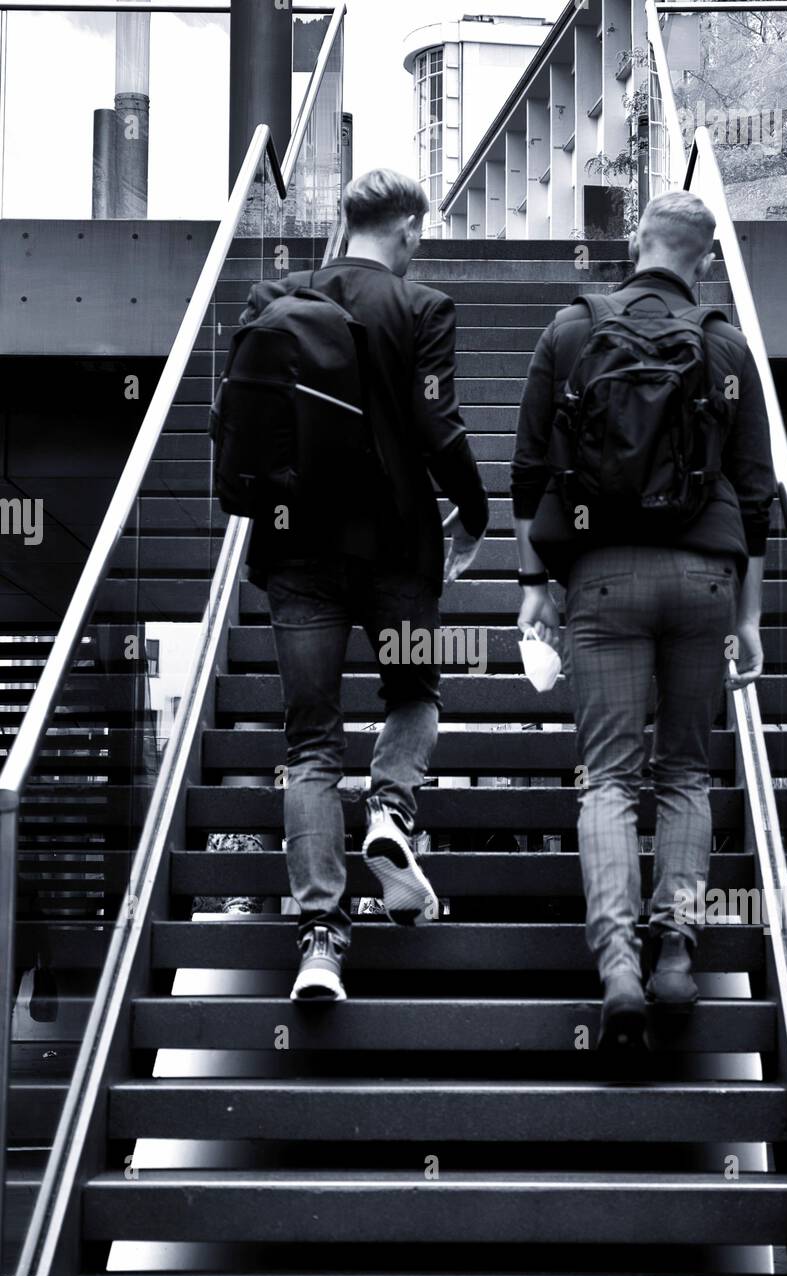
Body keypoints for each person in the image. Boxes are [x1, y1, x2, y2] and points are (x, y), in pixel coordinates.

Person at [511, 190, 775, 1047]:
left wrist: (533, 582)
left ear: (638, 243)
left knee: (610, 778)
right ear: (705, 259)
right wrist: (751, 615)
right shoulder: (725, 343)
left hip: (601, 579)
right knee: (688, 775)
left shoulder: (572, 330)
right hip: (704, 577)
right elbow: (756, 490)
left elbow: (526, 469)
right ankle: (677, 953)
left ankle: (618, 966)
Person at [241, 168, 489, 1001]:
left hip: (296, 548)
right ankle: (390, 812)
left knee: (309, 744)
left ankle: (319, 941)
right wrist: (478, 509)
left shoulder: (276, 299)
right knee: (413, 692)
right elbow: (434, 420)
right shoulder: (421, 309)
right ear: (410, 231)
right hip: (398, 549)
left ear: (347, 224)